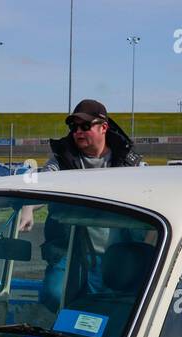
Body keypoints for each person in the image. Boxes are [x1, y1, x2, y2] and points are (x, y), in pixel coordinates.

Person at [27, 100, 145, 308]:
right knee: (53, 295)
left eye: (85, 126)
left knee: (115, 308)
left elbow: (151, 193)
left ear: (103, 127)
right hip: (69, 252)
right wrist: (28, 207)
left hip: (118, 255)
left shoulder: (129, 162)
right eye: (74, 127)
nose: (78, 132)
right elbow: (41, 185)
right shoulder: (62, 160)